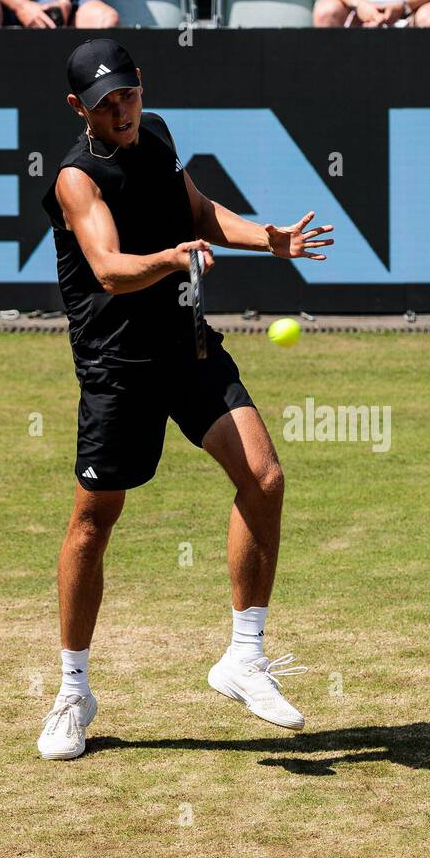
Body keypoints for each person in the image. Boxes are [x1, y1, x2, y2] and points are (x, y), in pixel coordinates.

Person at [36, 40, 336, 761]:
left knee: (264, 478)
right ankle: (74, 690)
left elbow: (199, 212)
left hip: (187, 348)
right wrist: (170, 260)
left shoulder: (159, 134)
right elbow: (107, 269)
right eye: (106, 103)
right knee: (93, 521)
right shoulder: (79, 178)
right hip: (118, 367)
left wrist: (268, 240)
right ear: (79, 108)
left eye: (129, 94)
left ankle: (243, 657)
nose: (122, 110)